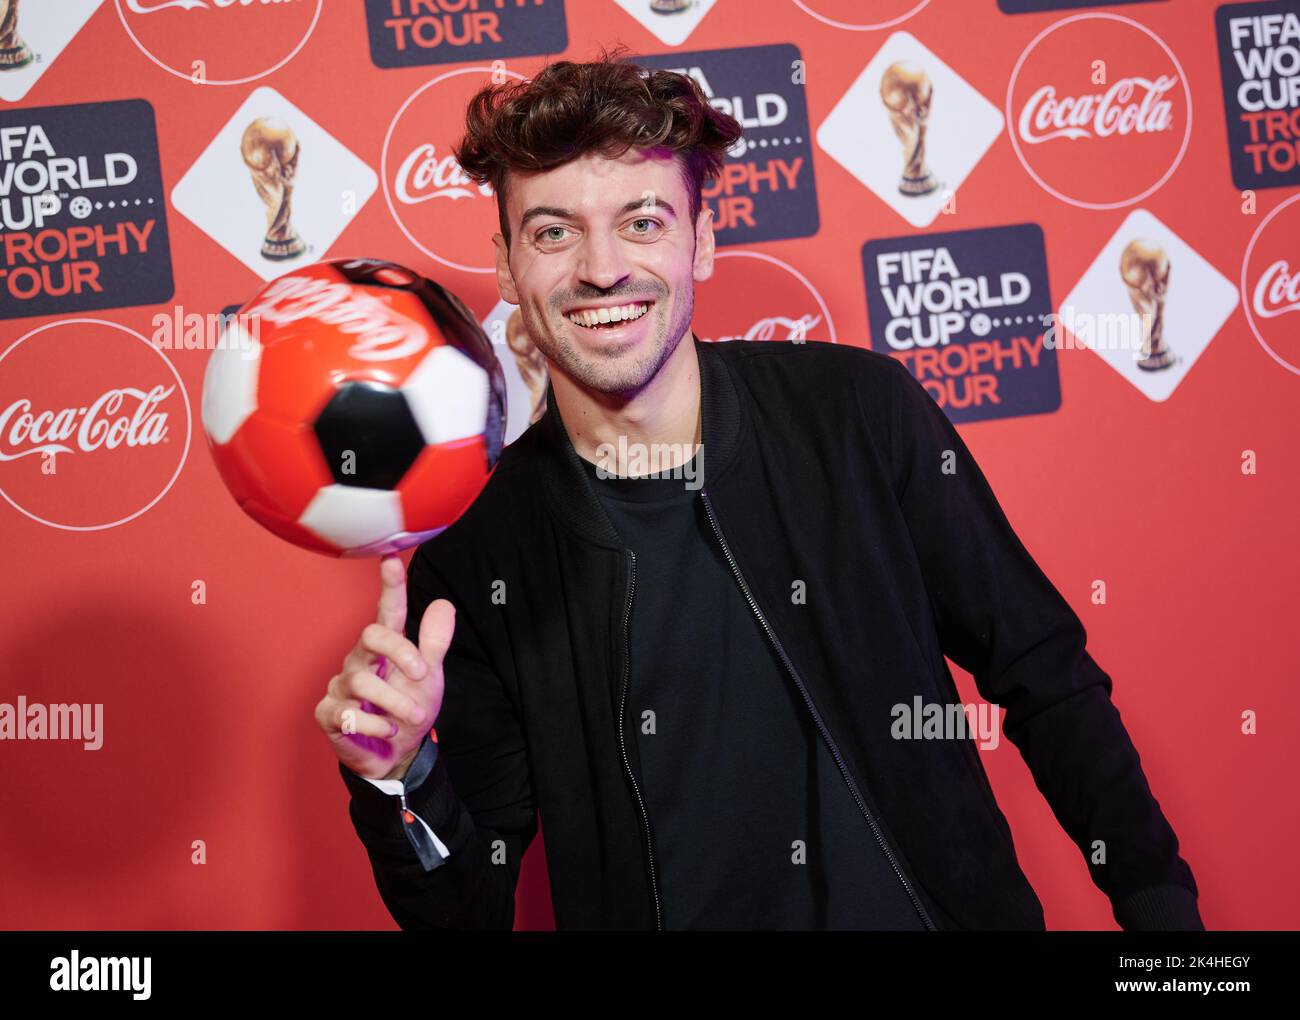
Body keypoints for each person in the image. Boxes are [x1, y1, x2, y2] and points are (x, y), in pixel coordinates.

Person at [314, 48, 1204, 931]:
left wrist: (1164, 922)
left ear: (702, 240)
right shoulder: (474, 552)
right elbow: (470, 907)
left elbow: (1046, 677)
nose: (601, 268)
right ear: (508, 267)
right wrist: (400, 775)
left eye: (644, 221)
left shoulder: (857, 414)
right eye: (553, 232)